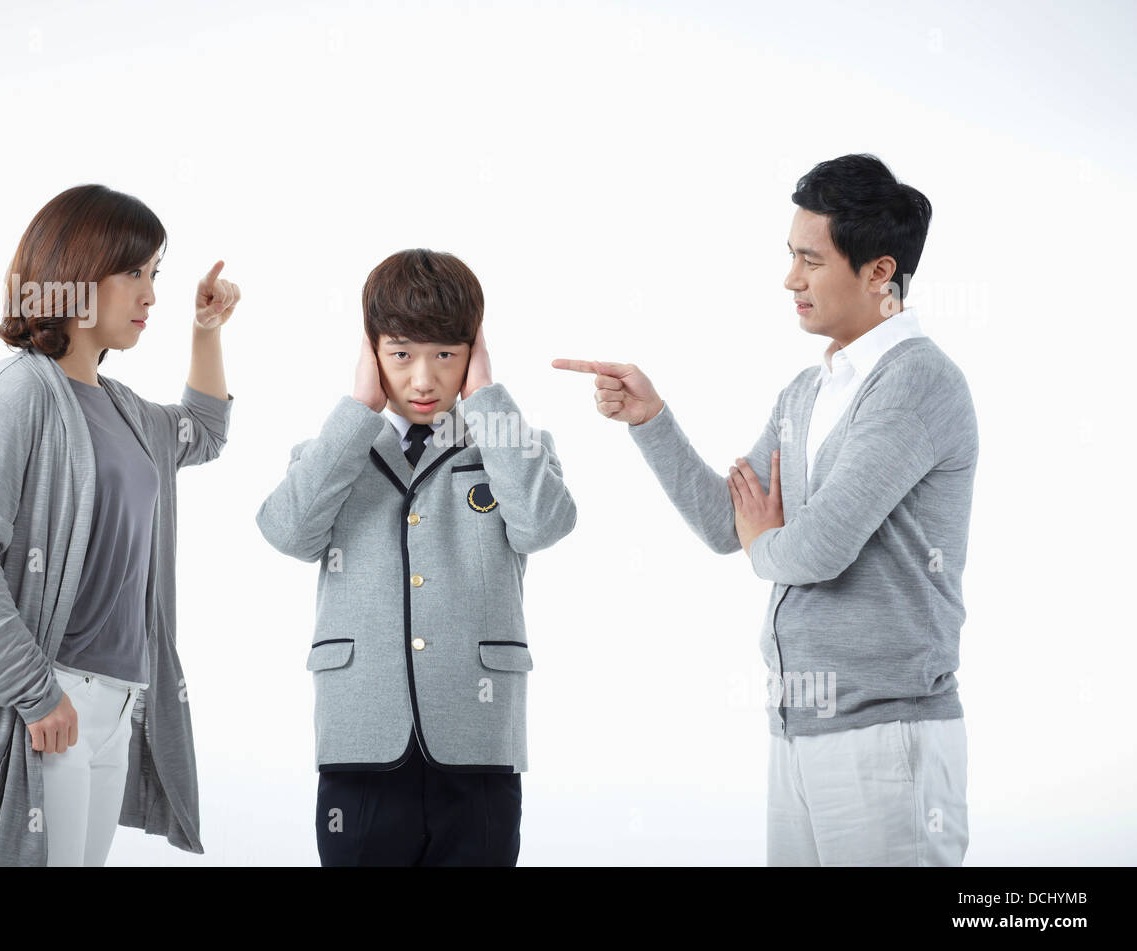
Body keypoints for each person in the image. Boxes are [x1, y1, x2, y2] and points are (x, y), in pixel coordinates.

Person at [555, 154, 977, 866]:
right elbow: (733, 524)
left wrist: (766, 543)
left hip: (887, 740)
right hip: (798, 729)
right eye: (790, 257)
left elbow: (814, 550)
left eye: (809, 261)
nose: (790, 279)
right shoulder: (806, 394)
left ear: (879, 272)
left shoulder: (917, 384)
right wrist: (650, 419)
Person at [0, 184, 239, 865]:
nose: (150, 295)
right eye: (134, 272)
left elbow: (206, 431)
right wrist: (38, 695)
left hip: (119, 704)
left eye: (154, 274)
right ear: (76, 274)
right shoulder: (21, 391)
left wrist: (206, 331)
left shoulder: (126, 411)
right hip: (53, 700)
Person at [255, 248, 577, 866]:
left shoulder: (513, 443)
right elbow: (288, 533)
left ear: (473, 354)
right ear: (371, 352)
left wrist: (487, 398)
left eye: (447, 356)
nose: (424, 379)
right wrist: (357, 410)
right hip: (360, 735)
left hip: (478, 738)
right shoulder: (331, 448)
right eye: (401, 354)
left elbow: (542, 524)